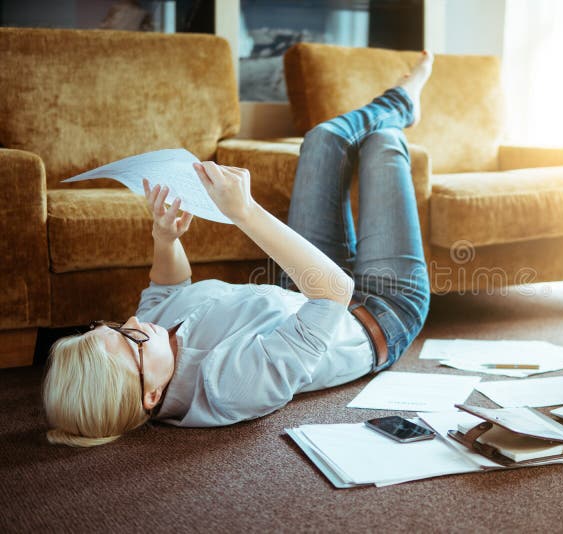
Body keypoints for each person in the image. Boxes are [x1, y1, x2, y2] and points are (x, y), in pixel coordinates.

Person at [42, 52, 434, 447]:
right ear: (152, 395)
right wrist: (244, 211)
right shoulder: (231, 388)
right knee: (383, 143)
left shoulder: (149, 335)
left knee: (322, 139)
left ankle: (400, 104)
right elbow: (335, 293)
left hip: (304, 286)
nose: (134, 322)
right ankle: (402, 102)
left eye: (113, 326)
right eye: (132, 341)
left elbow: (167, 289)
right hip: (379, 311)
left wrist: (165, 239)